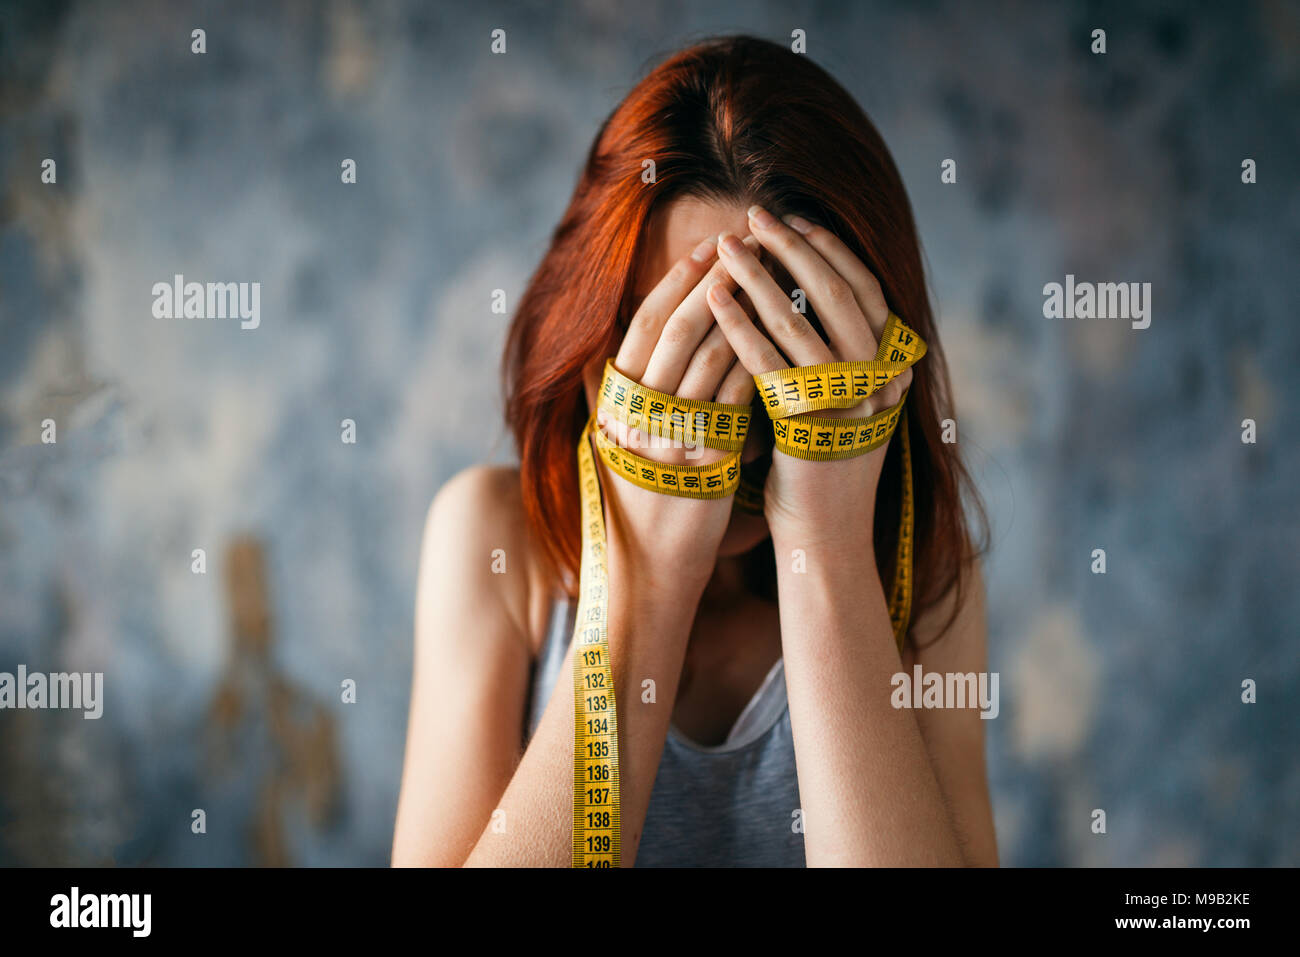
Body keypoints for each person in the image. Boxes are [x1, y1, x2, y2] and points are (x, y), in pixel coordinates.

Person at [392, 34, 996, 867]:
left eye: (791, 352)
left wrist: (826, 554)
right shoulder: (495, 539)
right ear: (598, 343)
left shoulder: (920, 569)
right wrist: (651, 574)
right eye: (688, 350)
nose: (736, 436)